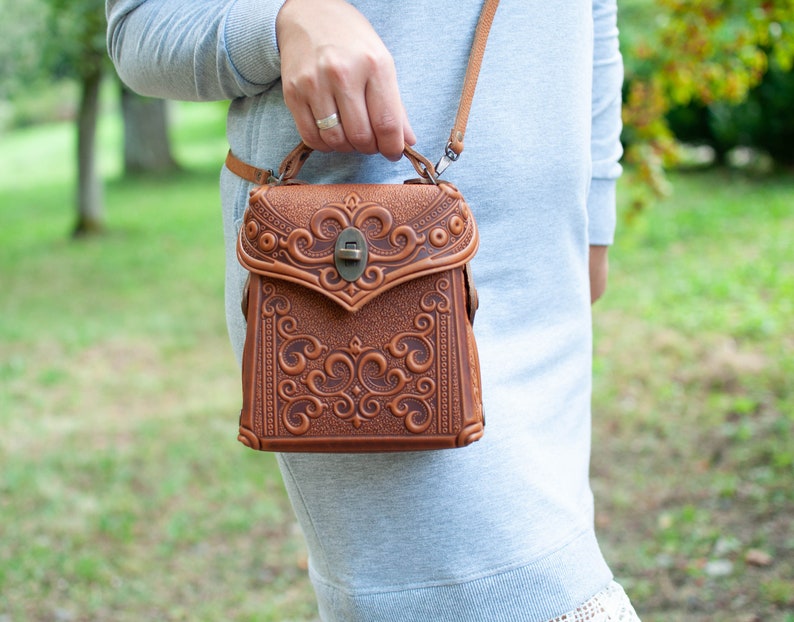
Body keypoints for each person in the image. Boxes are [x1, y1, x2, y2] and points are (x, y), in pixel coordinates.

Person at [107, 0, 640, 620]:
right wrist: (287, 20)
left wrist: (595, 199)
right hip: (341, 292)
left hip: (541, 267)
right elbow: (142, 23)